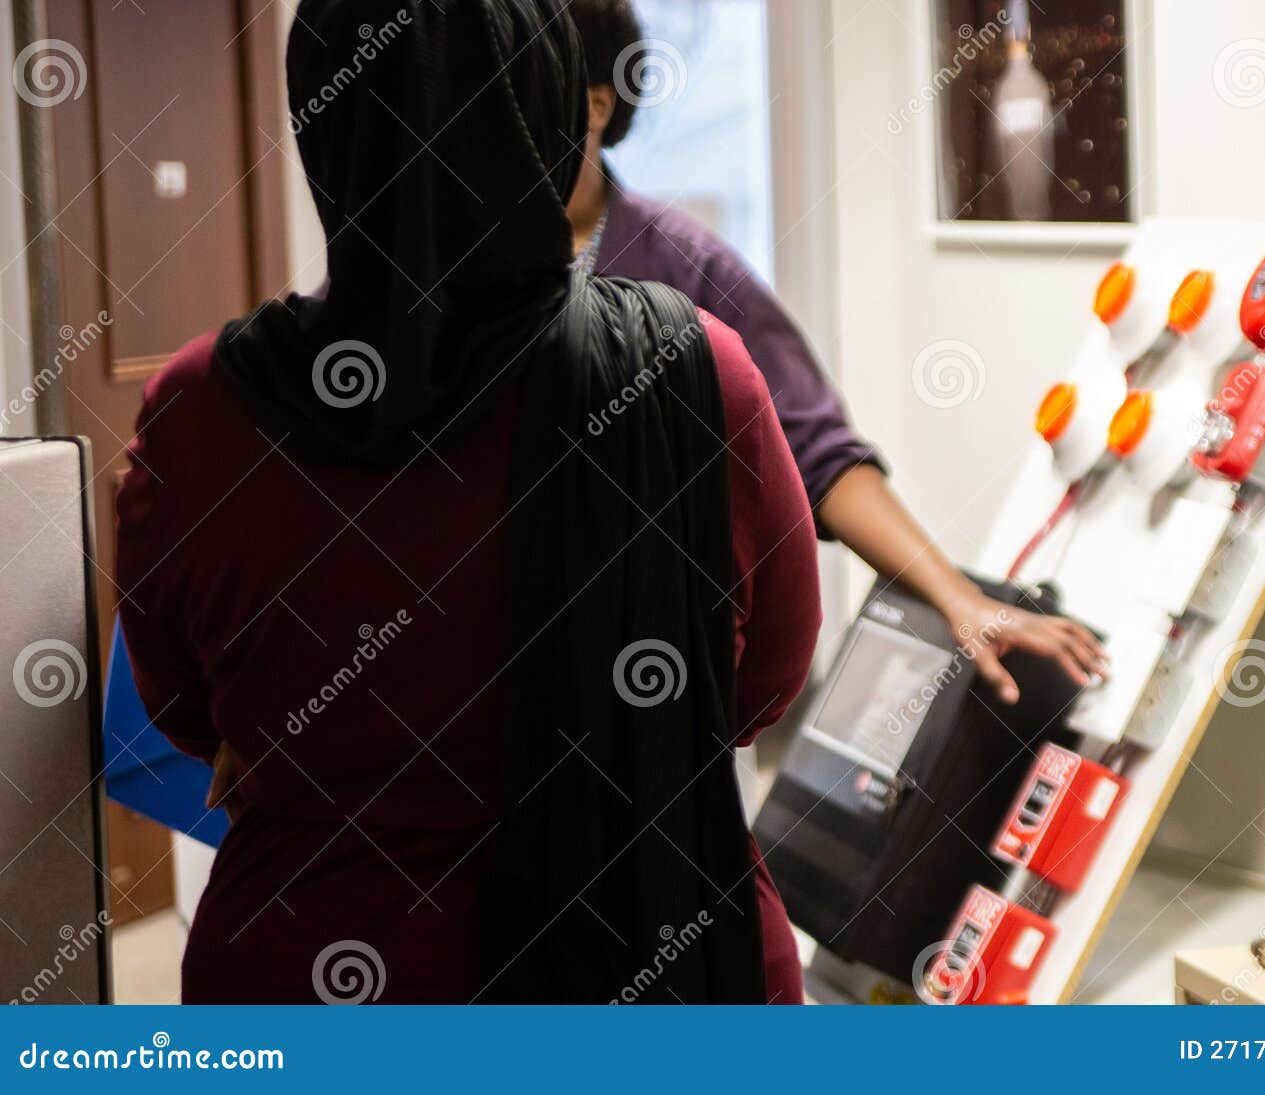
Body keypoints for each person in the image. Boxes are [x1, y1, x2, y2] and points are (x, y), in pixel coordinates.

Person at [115, 0, 818, 1004]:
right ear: (546, 117)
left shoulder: (199, 407)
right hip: (652, 941)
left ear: (320, 123)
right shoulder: (695, 373)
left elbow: (183, 712)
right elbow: (763, 684)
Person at [566, 0, 1107, 701]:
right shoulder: (451, 266)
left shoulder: (680, 266)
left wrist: (959, 598)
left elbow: (817, 452)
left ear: (596, 104)